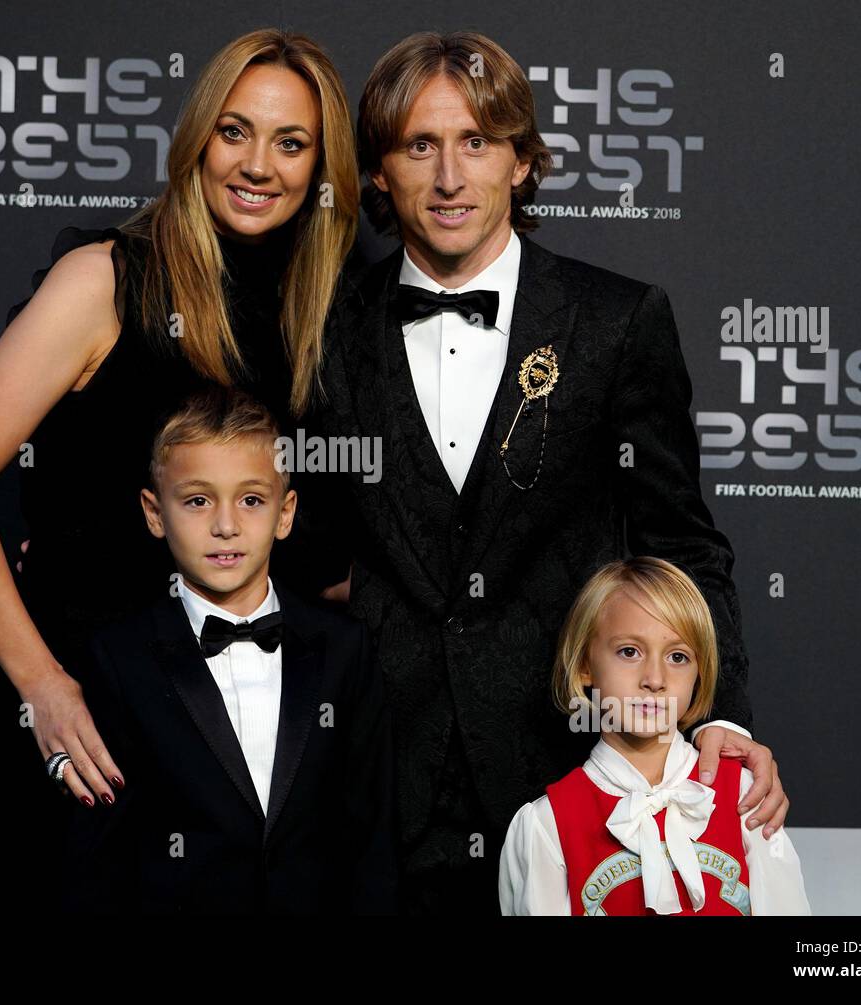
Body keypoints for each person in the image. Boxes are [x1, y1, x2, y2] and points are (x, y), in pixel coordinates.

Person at [307, 30, 790, 914]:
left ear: (523, 162)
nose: (450, 177)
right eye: (420, 145)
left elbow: (678, 536)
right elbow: (285, 527)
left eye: (478, 143)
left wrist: (724, 716)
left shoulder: (616, 321)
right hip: (372, 783)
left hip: (568, 791)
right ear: (378, 171)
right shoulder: (322, 329)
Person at [0, 28, 359, 913]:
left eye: (291, 142)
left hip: (232, 739)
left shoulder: (319, 319)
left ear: (322, 171)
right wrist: (41, 684)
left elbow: (319, 551)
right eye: (234, 131)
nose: (258, 164)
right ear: (196, 139)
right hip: (93, 722)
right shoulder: (103, 281)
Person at [59, 386, 397, 914]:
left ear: (285, 514)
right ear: (154, 512)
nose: (225, 525)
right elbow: (101, 861)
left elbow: (371, 840)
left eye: (251, 500)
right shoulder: (118, 661)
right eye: (197, 500)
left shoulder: (344, 649)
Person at [498, 557, 811, 915]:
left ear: (700, 674)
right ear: (585, 665)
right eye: (629, 652)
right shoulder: (546, 824)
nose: (655, 678)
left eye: (678, 657)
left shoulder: (744, 796)